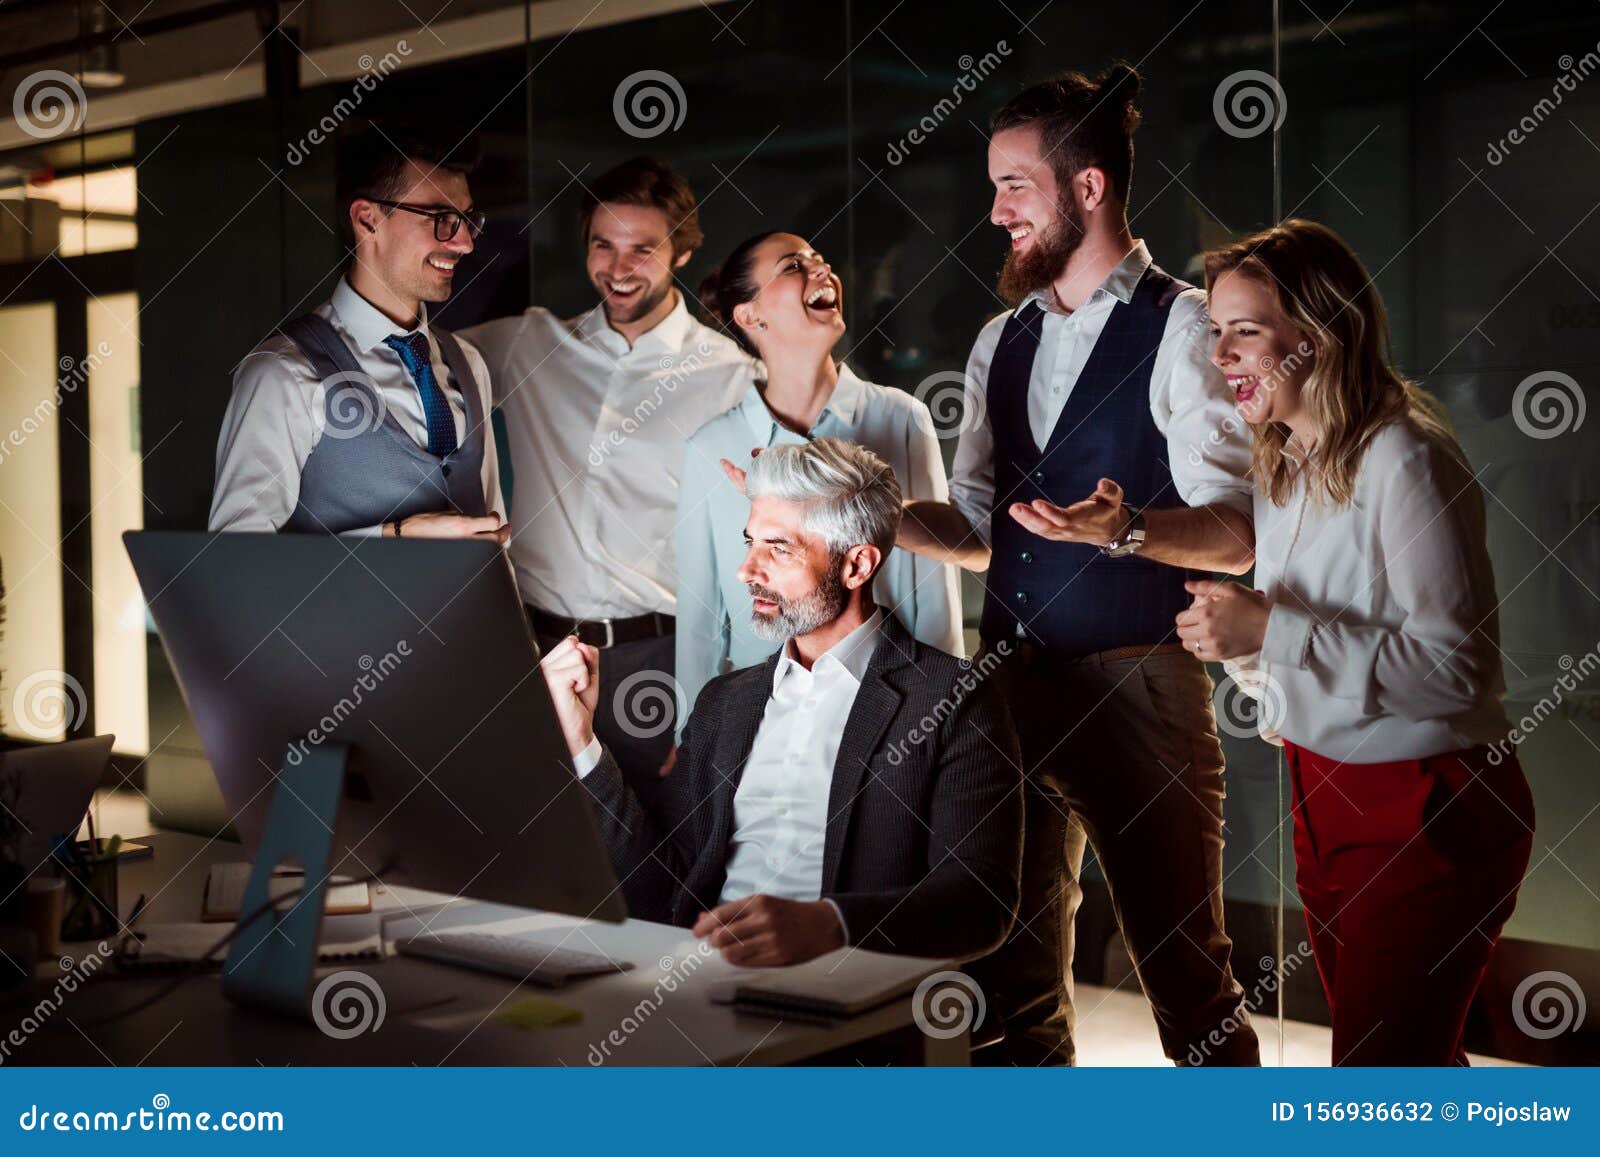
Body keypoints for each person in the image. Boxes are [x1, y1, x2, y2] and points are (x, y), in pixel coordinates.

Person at [895, 64, 1261, 1065]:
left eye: (1016, 186)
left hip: (1139, 681)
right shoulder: (995, 341)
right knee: (1009, 982)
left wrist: (1127, 529)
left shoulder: (1183, 323)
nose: (995, 212)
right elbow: (980, 530)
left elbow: (1237, 531)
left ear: (1087, 188)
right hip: (1006, 684)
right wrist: (881, 516)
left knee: (1187, 974)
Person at [1167, 218, 1530, 1064]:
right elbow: (1312, 651)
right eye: (1216, 331)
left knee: (1379, 1072)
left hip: (1426, 802)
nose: (1222, 355)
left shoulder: (1403, 456)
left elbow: (1458, 669)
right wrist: (1245, 641)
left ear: (1319, 335)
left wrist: (1270, 627)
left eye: (1246, 331)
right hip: (1323, 791)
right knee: (1408, 1065)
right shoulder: (1286, 461)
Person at [539, 438, 1022, 966]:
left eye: (779, 547)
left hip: (847, 1006)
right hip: (695, 984)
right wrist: (580, 741)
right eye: (750, 542)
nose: (747, 570)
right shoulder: (724, 702)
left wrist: (831, 925)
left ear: (857, 565)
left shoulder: (954, 698)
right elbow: (661, 890)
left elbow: (982, 902)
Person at [460, 157, 752, 797]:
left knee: (656, 862)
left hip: (663, 662)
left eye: (643, 249)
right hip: (533, 652)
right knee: (537, 851)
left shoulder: (731, 376)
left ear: (681, 253)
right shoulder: (526, 345)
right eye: (603, 245)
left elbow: (750, 544)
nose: (619, 269)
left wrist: (723, 693)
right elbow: (405, 363)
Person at [676, 230, 962, 740]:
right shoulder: (708, 446)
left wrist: (941, 722)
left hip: (884, 713)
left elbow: (933, 599)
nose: (821, 271)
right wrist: (688, 736)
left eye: (821, 261)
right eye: (793, 266)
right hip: (757, 717)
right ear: (749, 315)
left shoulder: (901, 418)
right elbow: (700, 619)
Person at [211, 119, 506, 542]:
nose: (464, 243)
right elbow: (237, 557)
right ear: (367, 220)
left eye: (466, 219)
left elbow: (494, 541)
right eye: (441, 218)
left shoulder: (467, 363)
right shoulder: (282, 374)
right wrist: (391, 537)